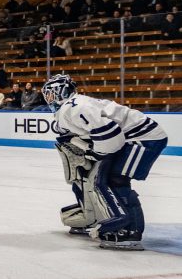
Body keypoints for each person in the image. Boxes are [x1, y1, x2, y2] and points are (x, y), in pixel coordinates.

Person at [45, 74, 168, 250]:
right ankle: (94, 215)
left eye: (51, 94)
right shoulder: (70, 108)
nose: (49, 99)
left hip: (145, 138)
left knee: (116, 180)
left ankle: (129, 230)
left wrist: (96, 154)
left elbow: (111, 137)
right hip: (133, 138)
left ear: (62, 92)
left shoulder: (74, 107)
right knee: (92, 176)